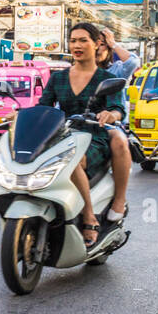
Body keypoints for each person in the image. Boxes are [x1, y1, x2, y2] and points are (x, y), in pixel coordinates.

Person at [36, 22, 125, 247]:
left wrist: (109, 115)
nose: (77, 45)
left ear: (96, 44)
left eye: (83, 40)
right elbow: (44, 106)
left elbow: (118, 109)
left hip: (94, 136)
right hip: (64, 134)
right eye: (73, 40)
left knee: (70, 160)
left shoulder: (105, 78)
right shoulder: (58, 78)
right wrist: (20, 116)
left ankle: (89, 216)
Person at [94, 29, 139, 221]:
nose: (96, 49)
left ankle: (119, 200)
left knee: (119, 141)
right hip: (78, 126)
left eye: (101, 45)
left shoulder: (114, 71)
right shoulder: (69, 74)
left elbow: (133, 63)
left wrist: (113, 43)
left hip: (109, 126)